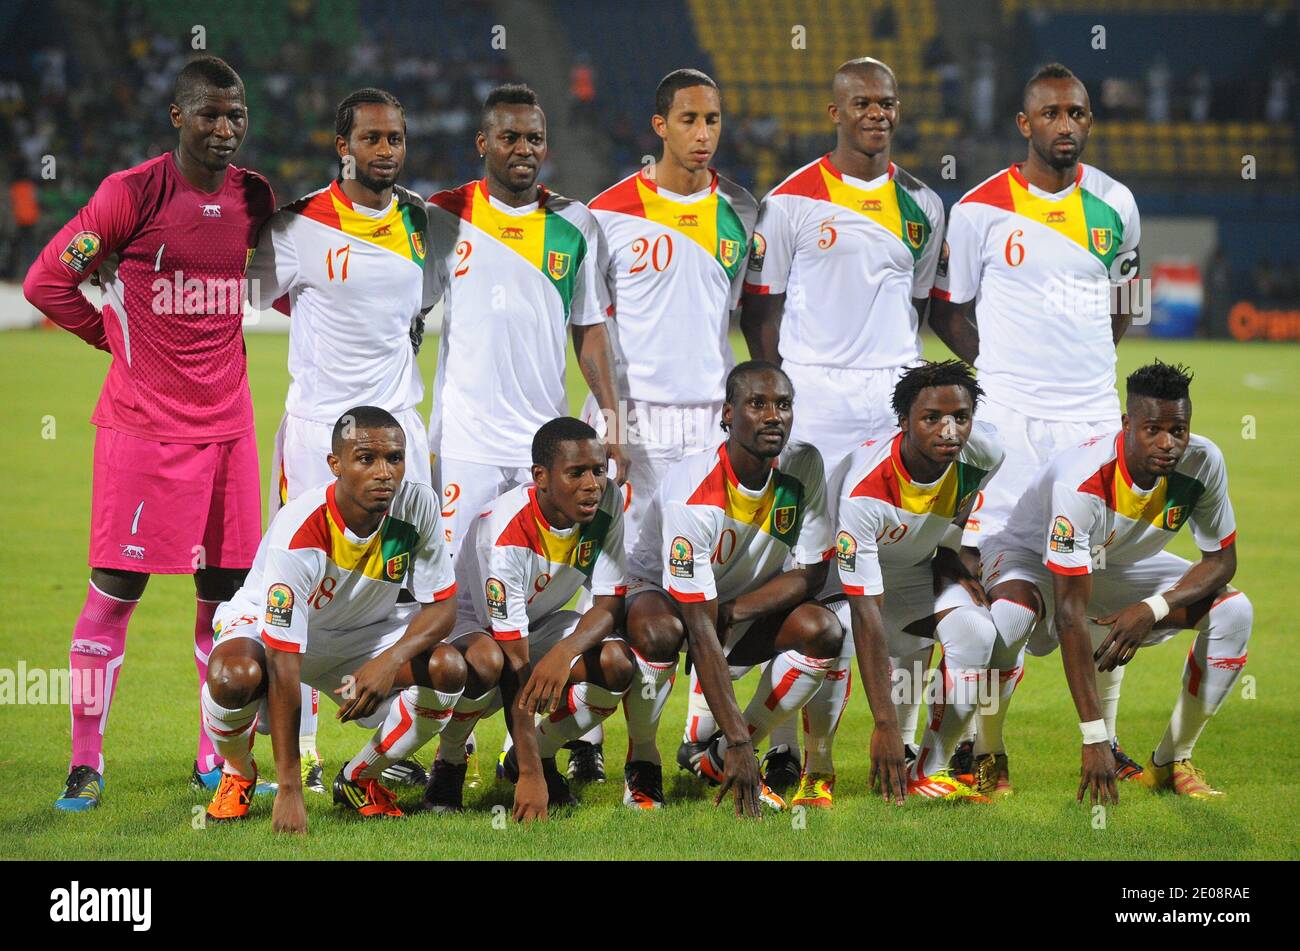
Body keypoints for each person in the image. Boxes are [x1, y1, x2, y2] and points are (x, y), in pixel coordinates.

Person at [23, 56, 276, 811]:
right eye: (210, 114)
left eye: (236, 115)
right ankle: (85, 763)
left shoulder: (253, 196)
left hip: (229, 428)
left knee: (225, 604)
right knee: (114, 593)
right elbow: (46, 281)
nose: (225, 128)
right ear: (177, 116)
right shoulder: (129, 193)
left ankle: (215, 758)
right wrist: (111, 337)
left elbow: (281, 282)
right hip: (143, 429)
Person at [929, 62, 1143, 782]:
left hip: (1091, 423)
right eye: (1051, 114)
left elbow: (1124, 303)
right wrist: (1000, 375)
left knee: (1095, 583)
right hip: (1010, 428)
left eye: (1077, 113)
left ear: (1090, 120)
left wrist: (1085, 371)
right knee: (1007, 591)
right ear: (1024, 124)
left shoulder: (1117, 204)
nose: (1065, 125)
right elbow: (947, 310)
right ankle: (982, 744)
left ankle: (1106, 735)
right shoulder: (979, 210)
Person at [737, 56, 946, 787]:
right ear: (835, 112)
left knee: (903, 574)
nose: (877, 113)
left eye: (887, 102)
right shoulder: (789, 202)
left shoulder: (924, 205)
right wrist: (785, 397)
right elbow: (760, 311)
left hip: (892, 409)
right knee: (808, 577)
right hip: (817, 412)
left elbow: (916, 307)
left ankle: (904, 745)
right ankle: (790, 751)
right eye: (862, 103)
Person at [572, 67, 758, 780]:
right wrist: (611, 418)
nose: (703, 134)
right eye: (688, 119)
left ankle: (698, 736)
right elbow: (590, 326)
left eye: (713, 120)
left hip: (706, 428)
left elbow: (728, 318)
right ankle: (582, 738)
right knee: (607, 585)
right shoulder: (607, 212)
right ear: (659, 127)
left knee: (701, 585)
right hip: (631, 425)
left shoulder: (740, 212)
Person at [247, 87, 434, 792]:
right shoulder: (297, 226)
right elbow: (251, 297)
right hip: (317, 434)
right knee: (303, 581)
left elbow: (418, 308)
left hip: (400, 428)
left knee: (404, 579)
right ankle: (300, 748)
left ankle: (394, 736)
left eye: (396, 138)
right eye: (372, 138)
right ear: (343, 146)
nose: (386, 150)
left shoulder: (421, 221)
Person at [978, 362, 1249, 801]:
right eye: (1153, 430)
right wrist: (1093, 737)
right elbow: (1070, 615)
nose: (1168, 443)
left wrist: (1152, 608)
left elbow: (1220, 560)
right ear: (1127, 424)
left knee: (1234, 612)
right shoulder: (1083, 480)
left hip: (1112, 562)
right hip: (1029, 557)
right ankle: (985, 751)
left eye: (1178, 430)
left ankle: (1172, 761)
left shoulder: (1203, 462)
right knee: (1013, 617)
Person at [200, 407, 462, 829]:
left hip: (360, 636)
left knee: (447, 669)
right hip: (271, 630)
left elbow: (443, 607)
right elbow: (283, 662)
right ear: (335, 465)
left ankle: (359, 777)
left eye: (394, 458)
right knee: (233, 677)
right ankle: (238, 772)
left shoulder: (418, 504)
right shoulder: (300, 530)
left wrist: (389, 662)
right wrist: (290, 790)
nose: (384, 473)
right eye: (366, 459)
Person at [619, 361, 842, 814]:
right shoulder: (693, 494)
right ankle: (643, 762)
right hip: (664, 598)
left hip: (734, 602)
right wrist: (742, 739)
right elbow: (699, 626)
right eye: (757, 404)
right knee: (661, 633)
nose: (773, 416)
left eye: (783, 405)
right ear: (727, 414)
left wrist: (734, 611)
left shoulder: (804, 463)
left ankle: (720, 758)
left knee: (822, 629)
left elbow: (812, 573)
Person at [425, 84, 627, 561]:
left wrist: (614, 425)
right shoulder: (445, 215)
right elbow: (410, 312)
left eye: (534, 139)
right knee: (456, 582)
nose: (524, 149)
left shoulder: (575, 223)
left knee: (536, 577)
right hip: (464, 443)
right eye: (510, 138)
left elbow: (590, 330)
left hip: (544, 445)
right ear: (483, 143)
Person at [421, 418, 635, 820]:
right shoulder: (505, 531)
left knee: (617, 664)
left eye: (598, 470)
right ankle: (449, 762)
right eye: (576, 473)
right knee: (488, 662)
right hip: (475, 629)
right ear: (541, 477)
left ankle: (540, 751)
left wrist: (564, 652)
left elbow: (609, 603)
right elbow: (514, 659)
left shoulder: (607, 501)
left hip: (542, 620)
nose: (592, 484)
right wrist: (532, 777)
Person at [816, 361, 1004, 806]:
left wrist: (950, 552)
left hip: (914, 570)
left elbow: (962, 501)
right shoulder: (864, 489)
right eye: (932, 418)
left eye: (961, 417)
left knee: (978, 632)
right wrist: (882, 725)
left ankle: (927, 770)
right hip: (838, 578)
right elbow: (867, 609)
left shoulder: (985, 452)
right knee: (833, 640)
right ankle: (814, 768)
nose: (949, 431)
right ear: (903, 422)